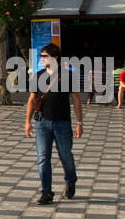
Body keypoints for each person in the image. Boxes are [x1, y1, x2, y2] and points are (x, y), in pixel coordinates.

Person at [24, 44, 83, 204]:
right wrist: (27, 122)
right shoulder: (38, 76)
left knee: (66, 157)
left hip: (62, 123)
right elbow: (31, 99)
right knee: (43, 158)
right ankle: (47, 192)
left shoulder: (68, 76)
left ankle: (71, 181)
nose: (42, 59)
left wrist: (79, 122)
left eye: (45, 56)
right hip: (42, 123)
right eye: (41, 56)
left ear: (55, 57)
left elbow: (76, 99)